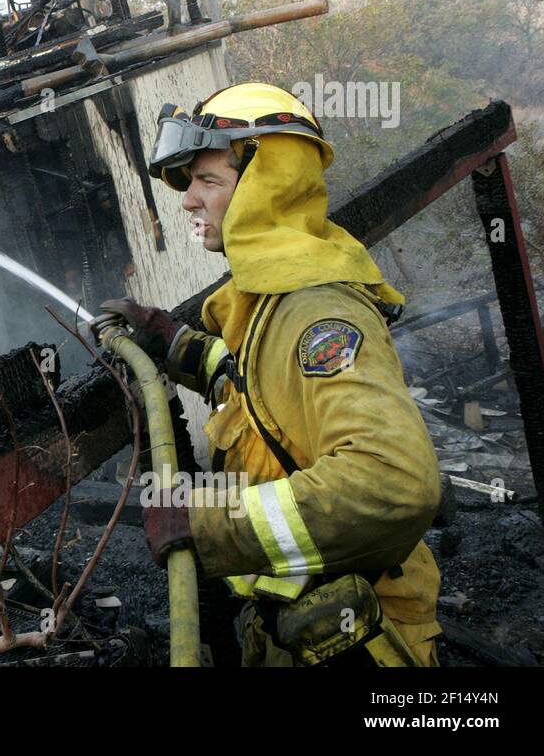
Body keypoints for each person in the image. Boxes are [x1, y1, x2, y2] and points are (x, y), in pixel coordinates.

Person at [91, 82, 442, 666]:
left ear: (263, 190)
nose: (188, 201)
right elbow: (265, 402)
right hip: (295, 630)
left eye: (208, 181)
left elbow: (393, 483)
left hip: (358, 645)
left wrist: (208, 524)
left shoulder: (318, 316)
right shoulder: (273, 301)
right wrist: (179, 346)